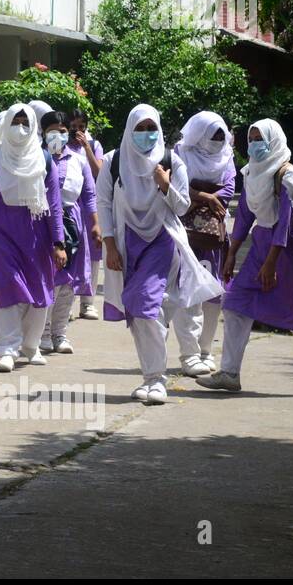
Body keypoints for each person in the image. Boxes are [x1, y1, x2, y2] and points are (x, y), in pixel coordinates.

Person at [197, 120, 293, 397]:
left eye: (260, 138)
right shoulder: (252, 173)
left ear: (273, 140)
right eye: (251, 139)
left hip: (289, 251)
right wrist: (231, 254)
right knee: (235, 303)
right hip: (262, 246)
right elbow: (244, 217)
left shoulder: (288, 176)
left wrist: (271, 263)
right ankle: (229, 373)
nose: (254, 144)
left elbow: (286, 222)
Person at [96, 105, 222, 404]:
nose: (146, 134)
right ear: (129, 130)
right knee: (139, 310)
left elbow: (181, 207)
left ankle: (156, 379)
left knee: (144, 304)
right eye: (140, 128)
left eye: (151, 128)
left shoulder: (171, 161)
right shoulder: (114, 162)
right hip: (127, 244)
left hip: (162, 242)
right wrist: (110, 245)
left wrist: (165, 185)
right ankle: (150, 378)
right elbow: (103, 203)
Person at [0, 104, 67, 372]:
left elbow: (54, 204)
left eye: (25, 122)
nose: (20, 127)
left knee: (39, 288)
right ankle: (7, 349)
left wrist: (58, 242)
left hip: (36, 232)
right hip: (0, 232)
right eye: (15, 121)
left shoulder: (45, 159)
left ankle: (31, 345)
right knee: (7, 285)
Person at [169, 111, 236, 376]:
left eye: (221, 136)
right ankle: (190, 352)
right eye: (212, 136)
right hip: (184, 233)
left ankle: (206, 350)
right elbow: (176, 187)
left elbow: (229, 188)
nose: (218, 141)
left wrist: (201, 197)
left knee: (212, 292)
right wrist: (207, 198)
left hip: (212, 236)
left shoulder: (227, 156)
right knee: (187, 289)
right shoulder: (180, 152)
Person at [37, 111, 100, 354]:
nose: (58, 135)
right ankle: (42, 332)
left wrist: (95, 224)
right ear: (43, 133)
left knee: (67, 283)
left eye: (63, 131)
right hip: (43, 222)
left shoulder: (78, 160)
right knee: (47, 278)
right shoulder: (36, 158)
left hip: (72, 224)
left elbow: (89, 194)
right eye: (52, 131)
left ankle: (60, 333)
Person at [68, 108, 104, 320]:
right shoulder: (62, 145)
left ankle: (87, 302)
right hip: (71, 204)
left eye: (81, 127)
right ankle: (67, 302)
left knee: (93, 253)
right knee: (72, 250)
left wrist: (86, 147)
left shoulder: (94, 145)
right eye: (73, 127)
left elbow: (98, 171)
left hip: (90, 205)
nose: (77, 131)